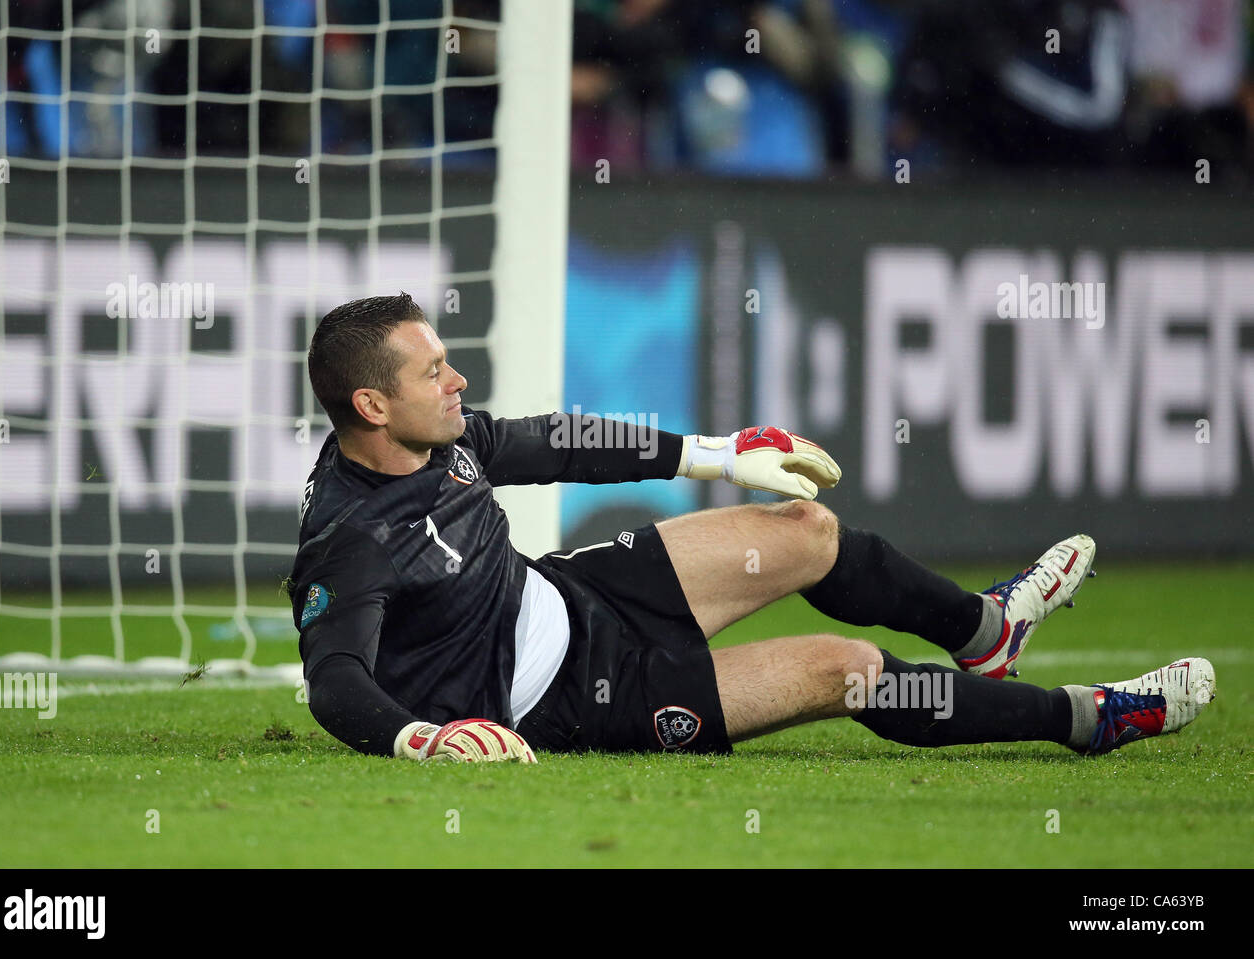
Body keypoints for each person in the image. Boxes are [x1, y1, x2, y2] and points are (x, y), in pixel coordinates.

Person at [287, 294, 1215, 764]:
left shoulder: (449, 441)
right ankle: (1090, 718)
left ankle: (986, 630)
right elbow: (335, 681)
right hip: (570, 695)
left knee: (807, 527)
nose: (456, 382)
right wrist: (428, 739)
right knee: (843, 670)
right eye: (434, 371)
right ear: (372, 403)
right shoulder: (352, 538)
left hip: (575, 593)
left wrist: (718, 451)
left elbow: (560, 441)